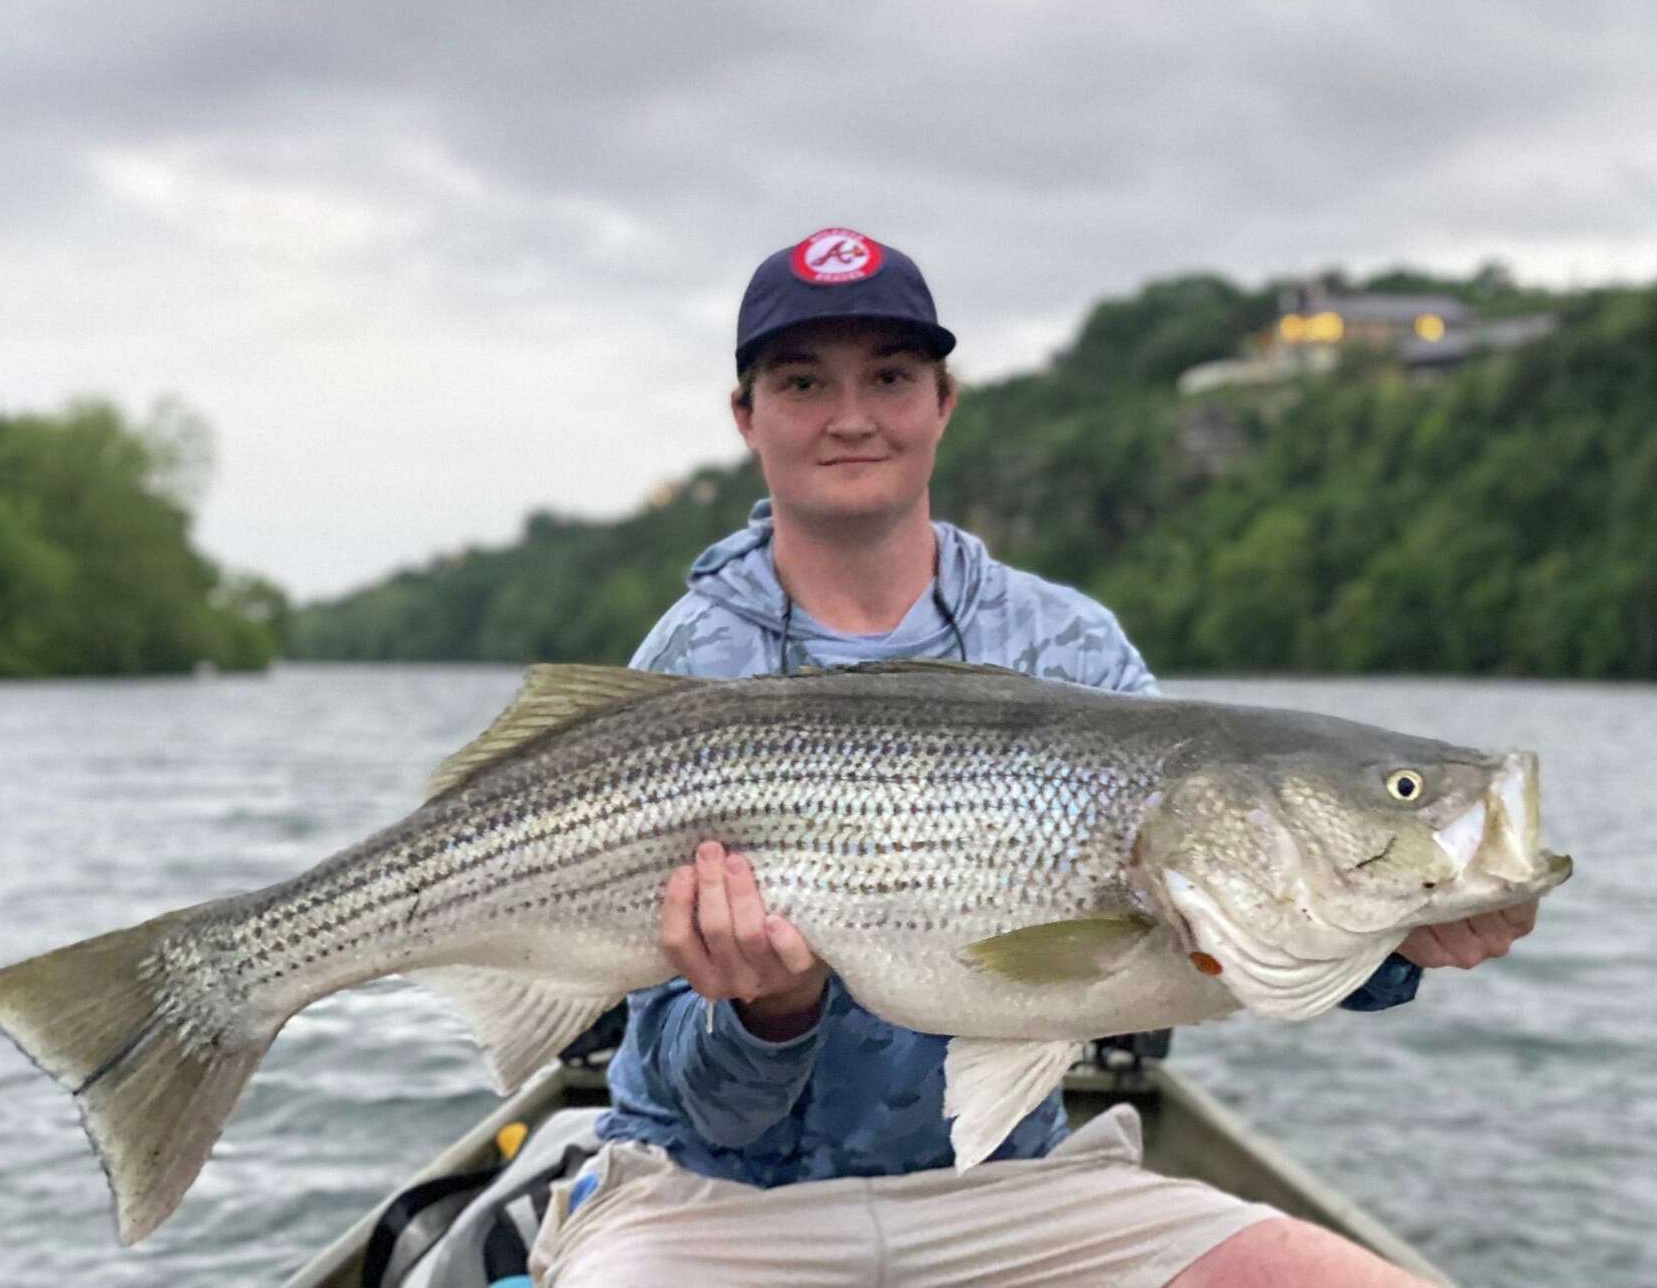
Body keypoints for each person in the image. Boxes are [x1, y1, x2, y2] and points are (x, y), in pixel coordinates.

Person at [528, 227, 1538, 1287]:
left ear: (943, 402)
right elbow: (707, 1109)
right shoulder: (689, 664)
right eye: (804, 381)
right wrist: (767, 1012)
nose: (853, 416)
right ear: (747, 415)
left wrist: (1396, 940)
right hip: (708, 1198)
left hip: (1013, 1192)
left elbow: (1223, 925)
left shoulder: (1069, 644)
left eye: (891, 376)